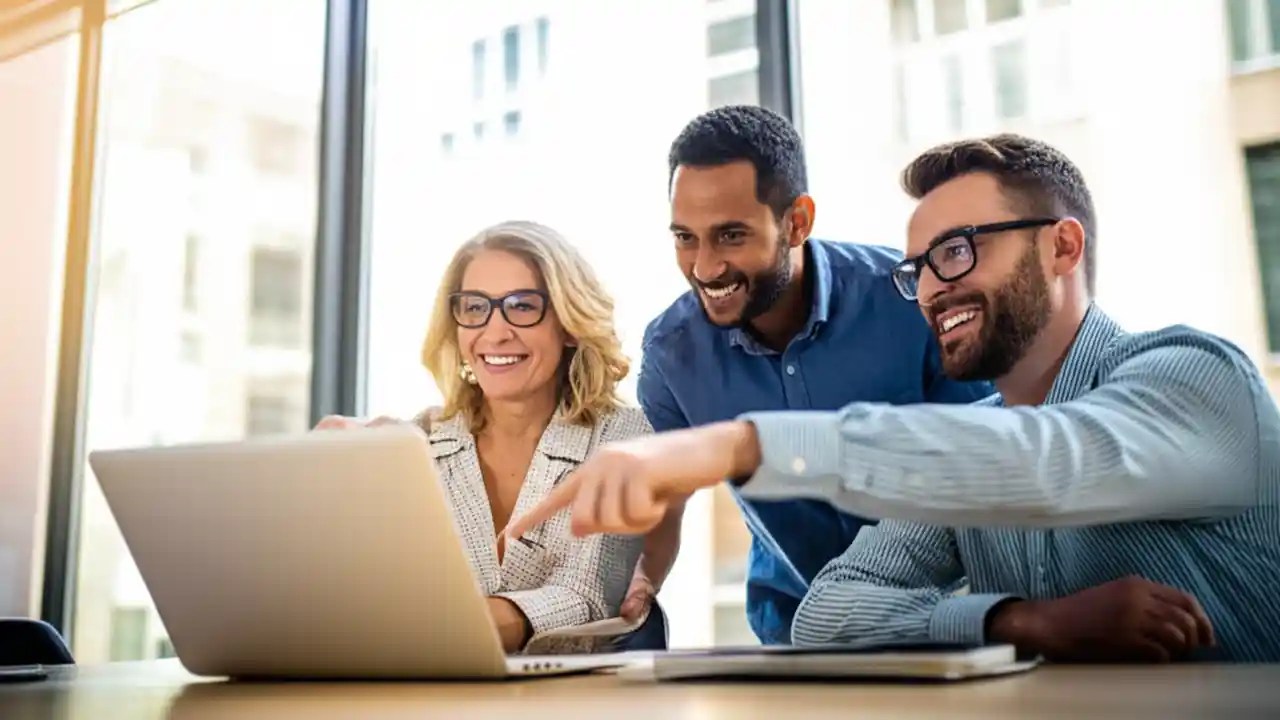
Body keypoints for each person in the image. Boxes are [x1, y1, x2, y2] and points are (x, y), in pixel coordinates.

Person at [506, 134, 1280, 663]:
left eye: (957, 250)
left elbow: (1047, 463)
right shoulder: (969, 446)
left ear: (1062, 246)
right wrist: (1024, 621)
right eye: (921, 269)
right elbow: (826, 613)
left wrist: (740, 445)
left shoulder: (1198, 379)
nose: (935, 288)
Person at [620, 105, 991, 643]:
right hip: (796, 630)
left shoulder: (911, 302)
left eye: (730, 236)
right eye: (685, 237)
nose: (703, 267)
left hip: (946, 622)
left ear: (797, 222)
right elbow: (665, 500)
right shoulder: (672, 354)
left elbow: (985, 458)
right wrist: (640, 579)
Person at [318, 220, 650, 654]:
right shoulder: (415, 444)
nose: (495, 332)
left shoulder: (625, 436)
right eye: (475, 308)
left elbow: (585, 599)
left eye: (522, 306)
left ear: (568, 324)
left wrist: (424, 626)